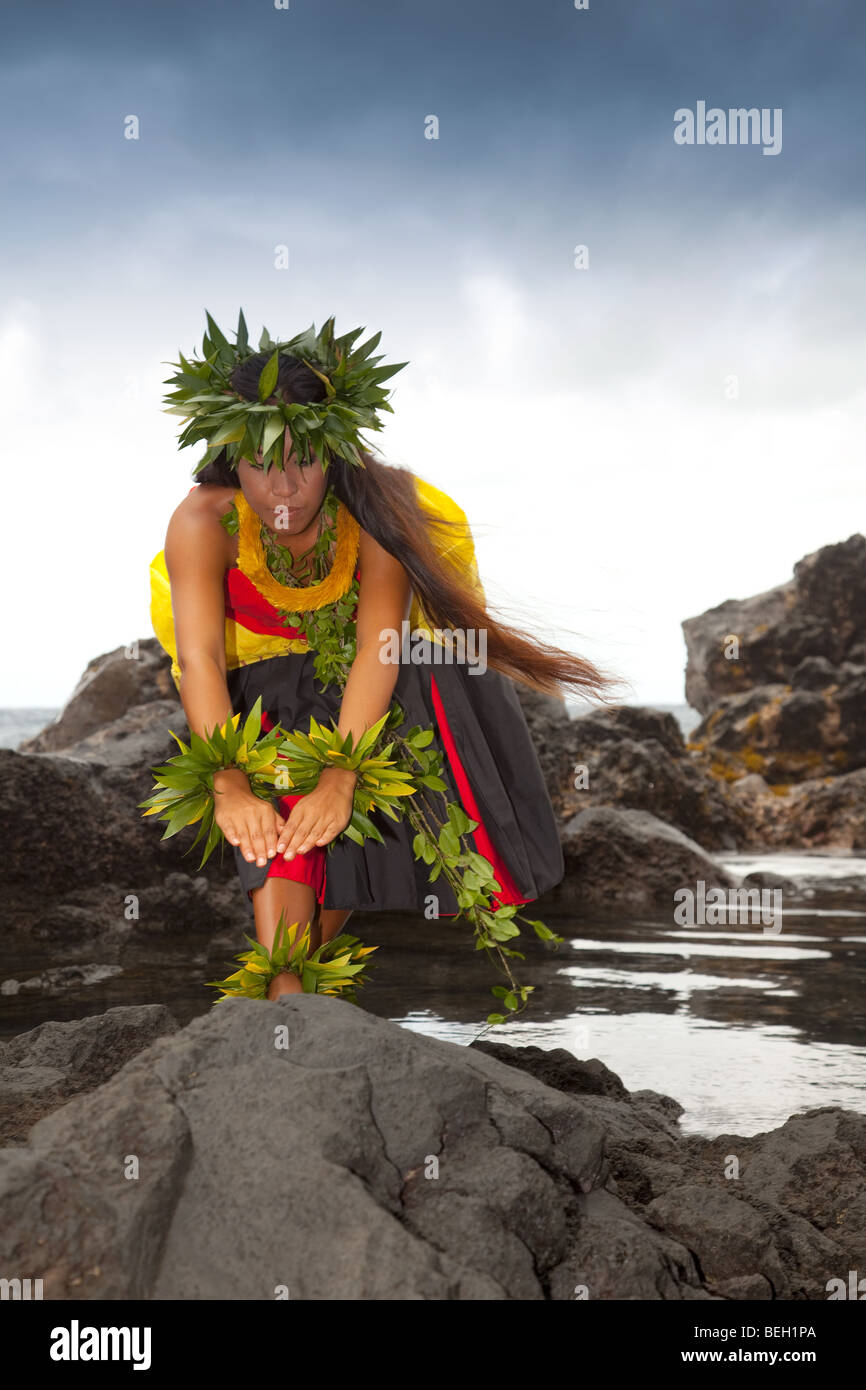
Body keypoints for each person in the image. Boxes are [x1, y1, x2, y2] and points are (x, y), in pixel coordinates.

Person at [149, 313, 613, 1002]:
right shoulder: (202, 522)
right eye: (260, 465)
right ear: (228, 455)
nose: (282, 491)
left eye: (302, 461)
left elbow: (379, 645)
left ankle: (289, 997)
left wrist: (340, 775)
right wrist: (226, 782)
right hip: (266, 686)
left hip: (392, 677)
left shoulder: (375, 510)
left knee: (327, 803)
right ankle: (290, 996)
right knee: (280, 817)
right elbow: (201, 659)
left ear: (333, 452)